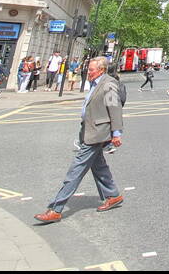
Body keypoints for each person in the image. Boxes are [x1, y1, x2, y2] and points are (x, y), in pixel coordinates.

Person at [35, 57, 124, 222]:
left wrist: (117, 133)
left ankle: (55, 209)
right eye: (88, 69)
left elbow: (115, 109)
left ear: (101, 70)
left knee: (75, 170)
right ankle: (113, 195)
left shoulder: (109, 84)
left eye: (91, 70)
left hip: (97, 133)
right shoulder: (95, 83)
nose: (88, 73)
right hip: (89, 131)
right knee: (99, 167)